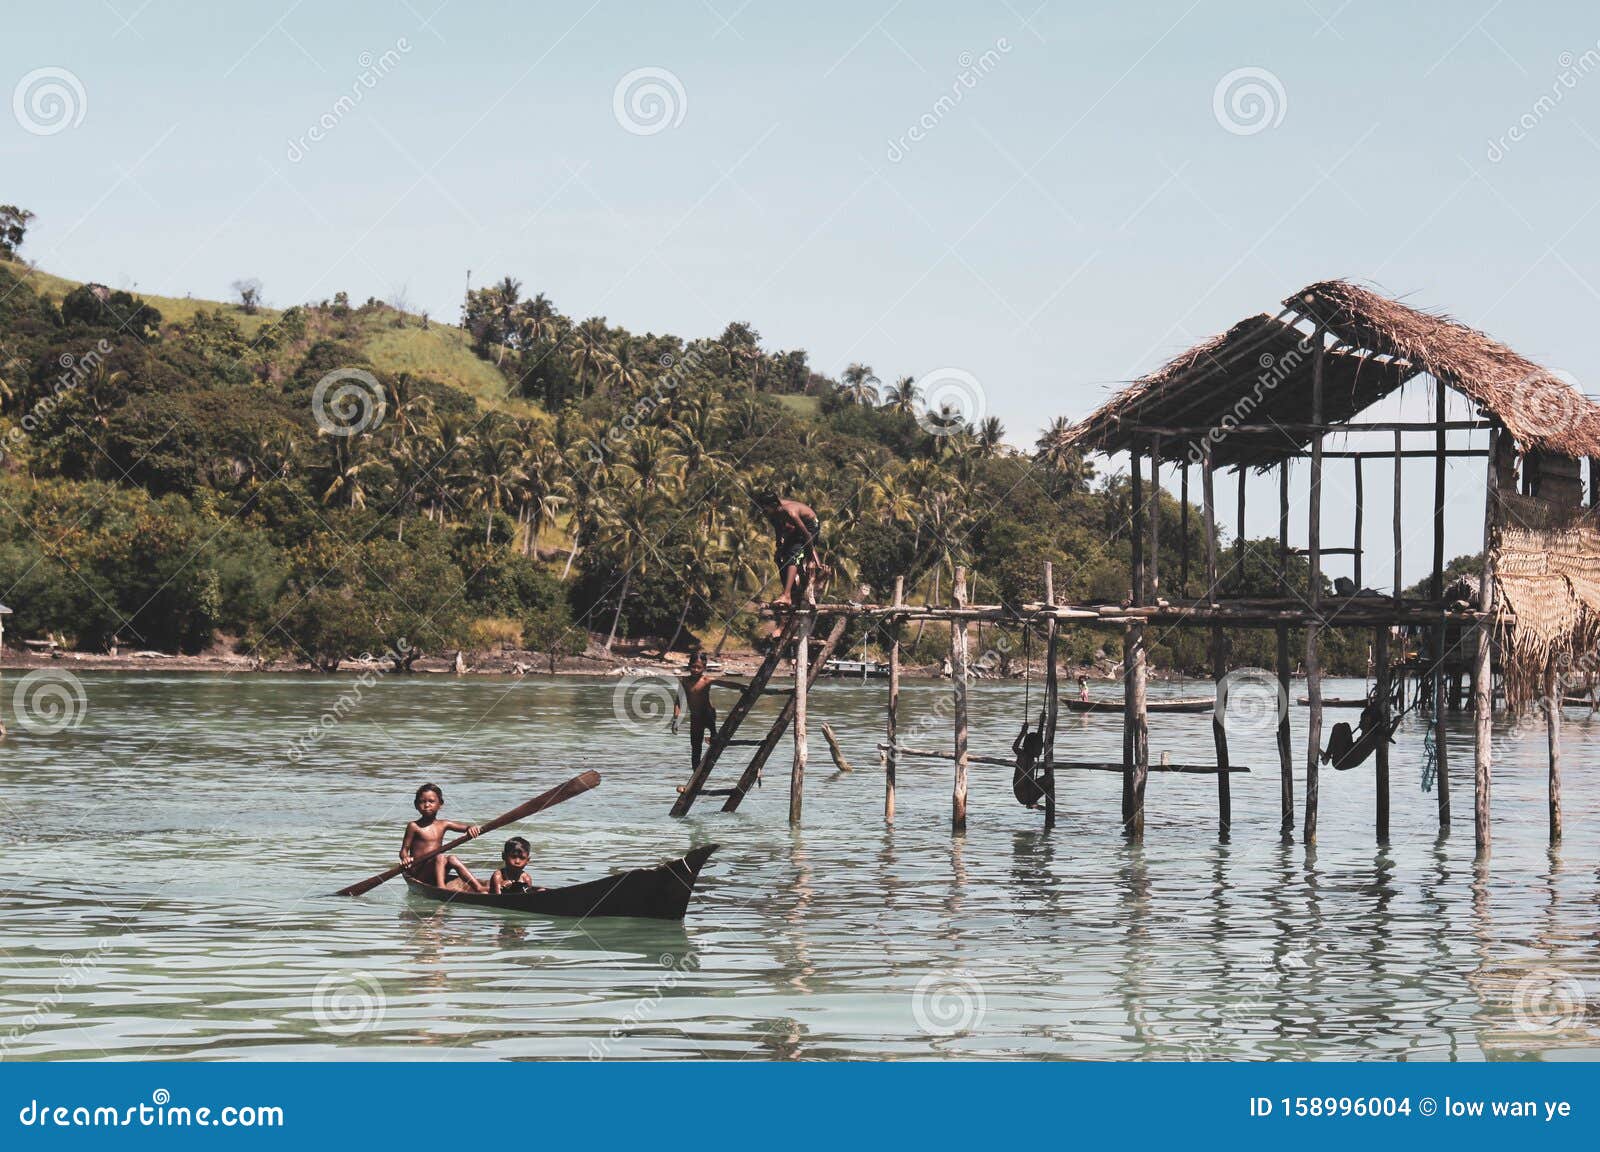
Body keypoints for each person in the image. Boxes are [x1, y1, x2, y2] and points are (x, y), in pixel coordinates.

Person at [399, 783, 484, 891]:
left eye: (431, 801)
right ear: (416, 805)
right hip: (420, 873)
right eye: (422, 802)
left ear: (440, 804)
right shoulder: (414, 826)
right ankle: (441, 888)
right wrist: (405, 858)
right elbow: (403, 851)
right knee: (439, 856)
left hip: (437, 867)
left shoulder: (444, 824)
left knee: (452, 859)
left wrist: (470, 828)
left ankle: (478, 887)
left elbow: (465, 828)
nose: (427, 805)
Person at [752, 491, 827, 607]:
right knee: (780, 557)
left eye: (764, 508)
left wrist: (812, 557)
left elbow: (807, 535)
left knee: (794, 555)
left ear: (773, 505)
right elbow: (778, 527)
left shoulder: (790, 512)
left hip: (810, 526)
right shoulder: (771, 512)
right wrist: (779, 546)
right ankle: (792, 592)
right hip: (796, 528)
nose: (762, 511)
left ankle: (786, 595)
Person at [671, 651, 718, 773]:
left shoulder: (707, 680)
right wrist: (676, 720)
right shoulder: (684, 681)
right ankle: (695, 773)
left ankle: (713, 736)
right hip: (695, 718)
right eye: (693, 667)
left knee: (715, 740)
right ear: (689, 666)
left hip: (708, 715)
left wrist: (742, 688)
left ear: (704, 668)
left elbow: (725, 683)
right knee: (695, 748)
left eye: (699, 667)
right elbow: (678, 701)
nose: (696, 670)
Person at [1012, 710, 1048, 809]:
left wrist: (1041, 723)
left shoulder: (1027, 755)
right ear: (1033, 748)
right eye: (1039, 749)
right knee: (1049, 779)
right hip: (1023, 793)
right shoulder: (1023, 756)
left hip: (1025, 793)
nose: (1040, 751)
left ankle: (1032, 803)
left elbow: (1038, 740)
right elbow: (1014, 747)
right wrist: (1023, 732)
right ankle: (1032, 803)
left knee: (1047, 779)